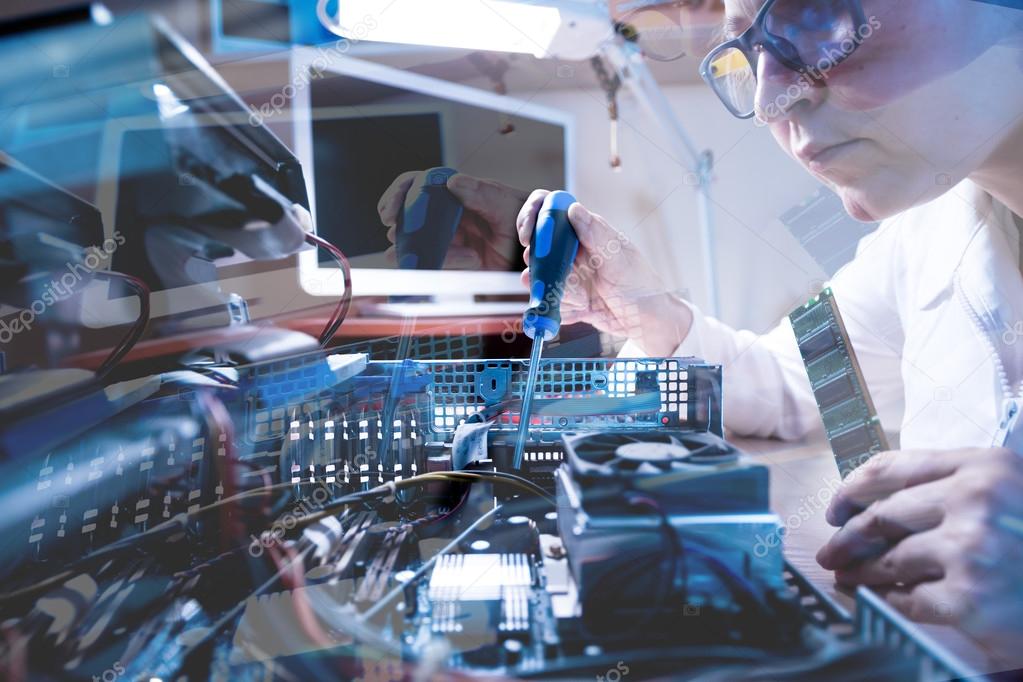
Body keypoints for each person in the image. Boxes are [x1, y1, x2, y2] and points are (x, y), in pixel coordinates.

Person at [378, 0, 1023, 666]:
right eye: (746, 53)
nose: (768, 101)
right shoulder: (926, 233)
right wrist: (647, 311)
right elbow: (790, 382)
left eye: (816, 14)